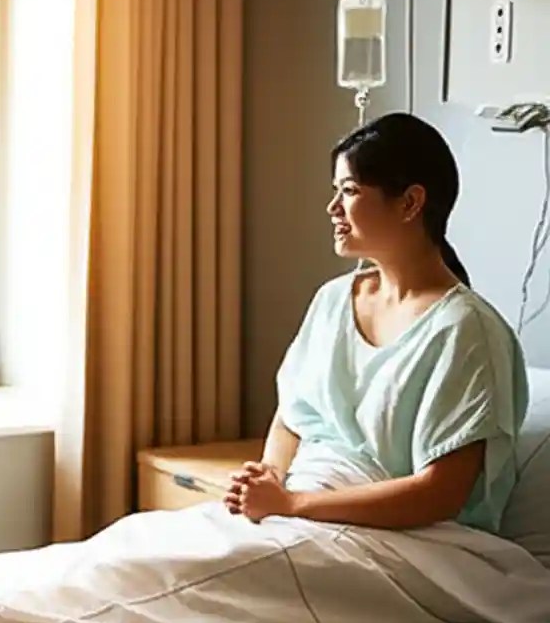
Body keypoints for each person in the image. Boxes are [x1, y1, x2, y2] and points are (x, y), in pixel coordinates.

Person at [224, 112, 528, 534]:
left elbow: (440, 493)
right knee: (136, 559)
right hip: (300, 512)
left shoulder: (468, 331)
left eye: (349, 191)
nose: (333, 208)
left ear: (409, 203)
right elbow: (292, 415)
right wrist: (269, 479)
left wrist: (295, 504)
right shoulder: (332, 301)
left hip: (406, 538)